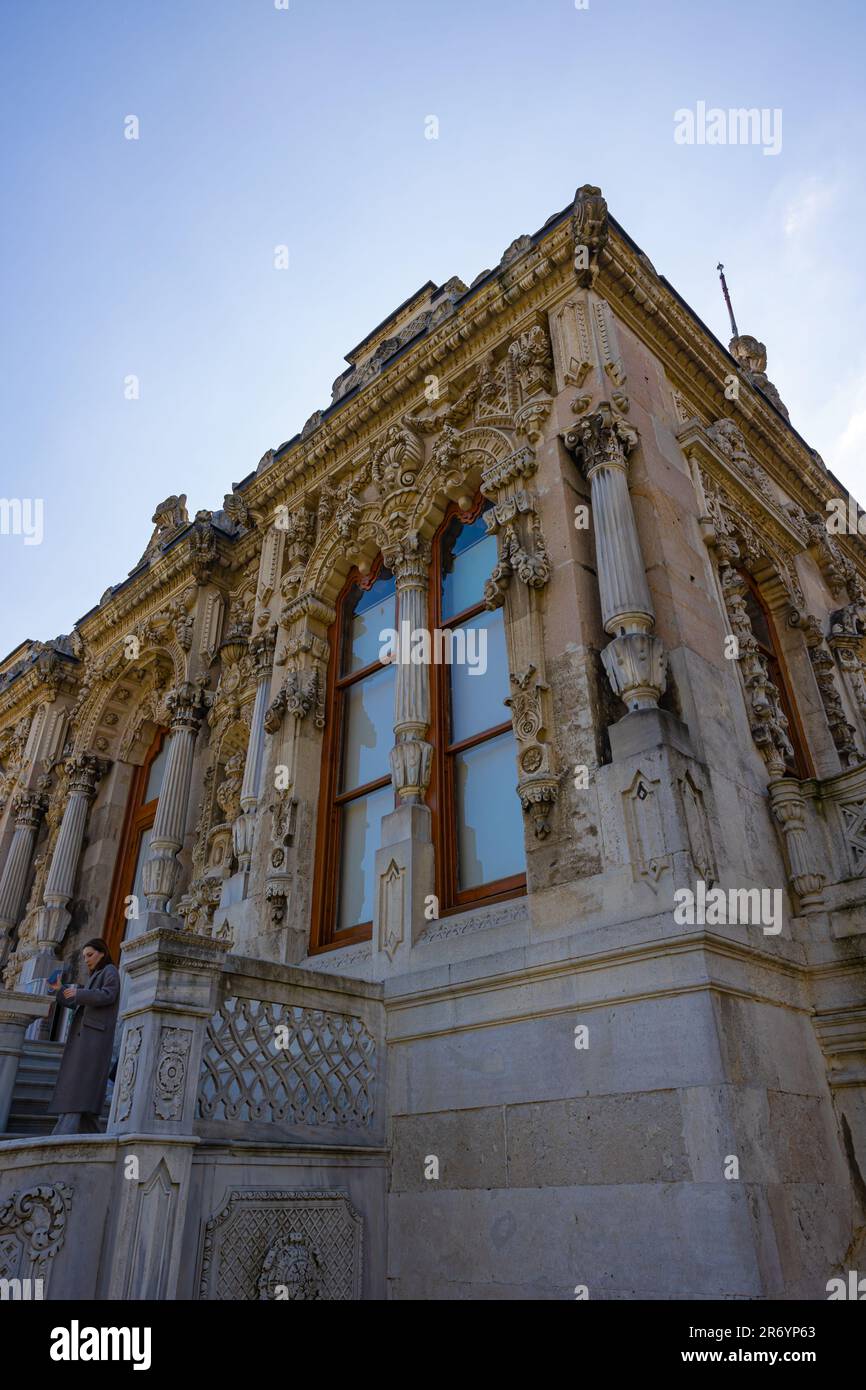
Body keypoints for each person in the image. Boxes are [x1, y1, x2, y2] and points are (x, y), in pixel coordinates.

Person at [46, 938, 120, 1135]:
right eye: (84, 956)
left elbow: (108, 995)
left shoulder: (110, 971)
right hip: (86, 1037)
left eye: (90, 955)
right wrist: (60, 990)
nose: (86, 960)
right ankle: (84, 1133)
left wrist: (78, 993)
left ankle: (63, 1134)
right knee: (81, 1091)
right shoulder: (96, 975)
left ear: (102, 953)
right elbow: (78, 1001)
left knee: (81, 1088)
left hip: (94, 1039)